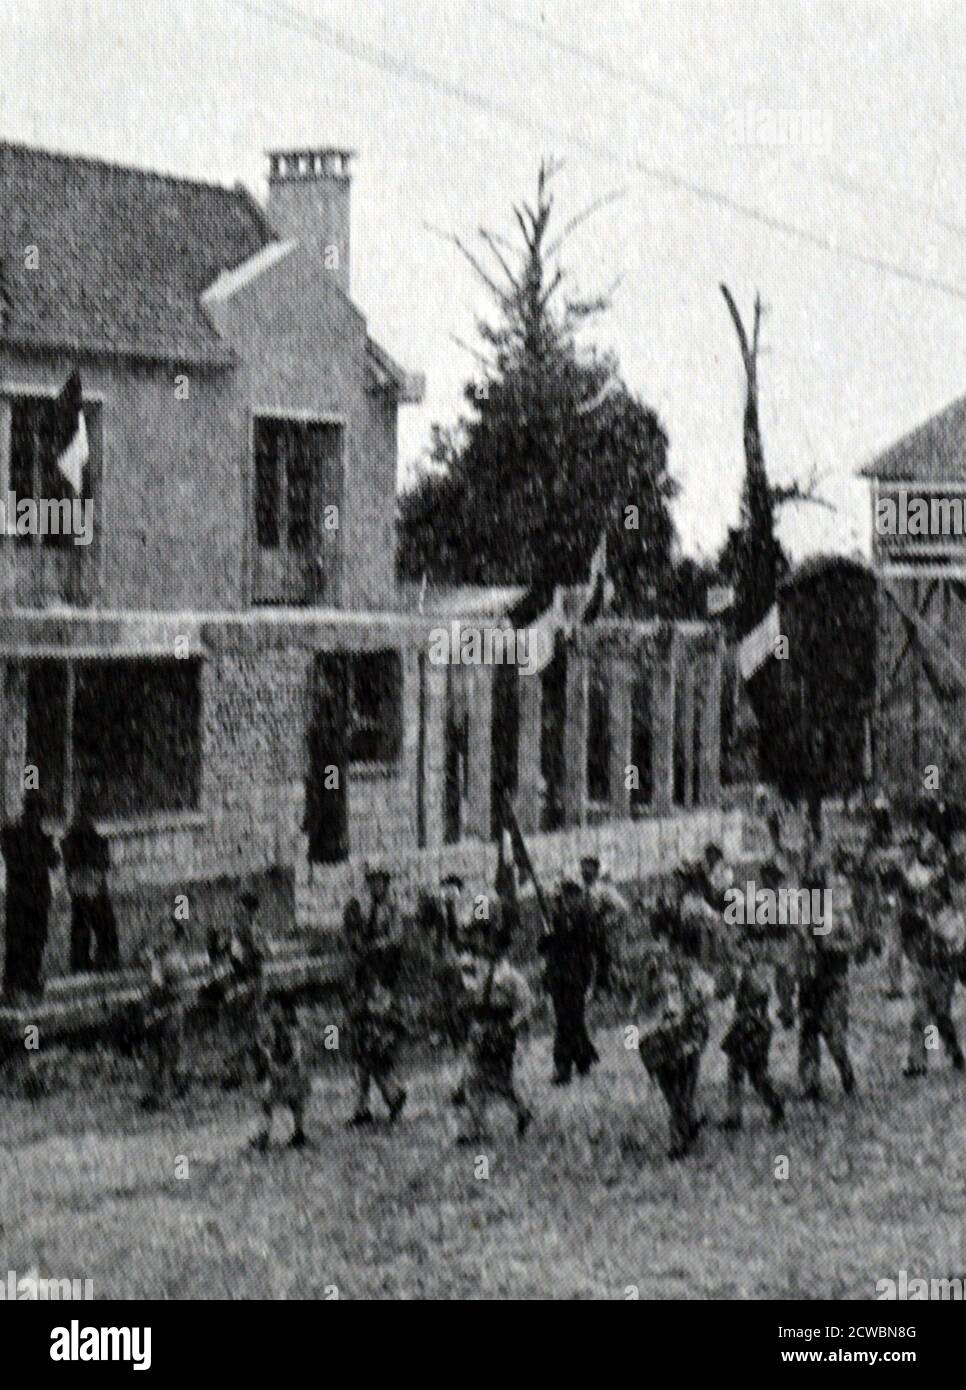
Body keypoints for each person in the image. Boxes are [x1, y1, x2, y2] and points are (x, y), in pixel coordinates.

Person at [637, 907, 714, 1160]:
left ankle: (679, 1138)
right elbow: (646, 1000)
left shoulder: (695, 977)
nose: (673, 956)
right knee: (673, 1089)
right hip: (664, 1035)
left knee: (683, 1087)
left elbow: (700, 1005)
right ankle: (686, 1126)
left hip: (686, 1035)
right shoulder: (660, 971)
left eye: (676, 952)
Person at [718, 862, 786, 1131]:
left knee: (753, 1073)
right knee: (739, 1069)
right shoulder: (753, 953)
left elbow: (757, 987)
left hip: (754, 1020)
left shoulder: (753, 958)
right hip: (751, 1019)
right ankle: (737, 1115)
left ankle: (774, 1106)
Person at [899, 813, 964, 1077]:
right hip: (925, 967)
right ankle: (918, 1063)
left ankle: (953, 1051)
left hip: (943, 970)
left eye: (933, 893)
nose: (929, 896)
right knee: (921, 1016)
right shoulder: (922, 914)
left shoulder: (951, 919)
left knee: (939, 1016)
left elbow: (955, 944)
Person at [457, 921, 534, 1145]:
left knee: (499, 1081)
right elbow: (473, 992)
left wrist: (511, 1027)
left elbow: (526, 1006)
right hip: (481, 1026)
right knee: (473, 1078)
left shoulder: (511, 977)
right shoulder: (480, 970)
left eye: (491, 945)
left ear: (501, 949)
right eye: (485, 944)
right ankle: (474, 1128)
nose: (486, 948)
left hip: (500, 1031)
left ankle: (522, 1110)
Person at [793, 846, 859, 1102]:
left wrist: (831, 946)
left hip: (834, 981)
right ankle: (810, 1084)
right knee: (808, 1032)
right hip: (810, 981)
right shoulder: (800, 916)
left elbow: (853, 944)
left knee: (833, 1035)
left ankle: (847, 1074)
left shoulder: (838, 914)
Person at [344, 863, 407, 1125]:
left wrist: (372, 946)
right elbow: (353, 941)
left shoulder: (392, 909)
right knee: (359, 1040)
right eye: (370, 881)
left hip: (382, 981)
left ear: (386, 882)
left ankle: (391, 1093)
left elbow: (396, 939)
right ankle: (365, 1104)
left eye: (378, 881)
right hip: (364, 979)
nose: (374, 886)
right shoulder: (363, 909)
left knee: (375, 1040)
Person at [539, 875, 610, 1084]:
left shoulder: (586, 917)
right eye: (562, 897)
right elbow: (545, 948)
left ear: (576, 896)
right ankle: (583, 1058)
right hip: (558, 975)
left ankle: (563, 1069)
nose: (563, 900)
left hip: (576, 975)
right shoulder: (556, 917)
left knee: (565, 1021)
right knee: (572, 1020)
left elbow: (600, 947)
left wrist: (601, 979)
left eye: (567, 896)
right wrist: (548, 939)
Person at [1, 789, 59, 1000]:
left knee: (22, 939)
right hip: (32, 897)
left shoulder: (11, 835)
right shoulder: (33, 837)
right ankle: (23, 981)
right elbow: (52, 861)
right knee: (30, 939)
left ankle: (16, 982)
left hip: (21, 898)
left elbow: (53, 861)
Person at [62, 791, 118, 973]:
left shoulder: (71, 839)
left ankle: (80, 960)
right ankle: (104, 958)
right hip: (92, 883)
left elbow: (69, 863)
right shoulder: (93, 840)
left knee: (81, 923)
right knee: (103, 922)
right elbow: (104, 863)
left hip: (80, 884)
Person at [141, 915, 192, 1110]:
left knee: (168, 1053)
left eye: (167, 933)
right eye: (161, 932)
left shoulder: (175, 960)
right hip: (156, 1009)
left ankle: (168, 1093)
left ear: (175, 938)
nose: (162, 936)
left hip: (169, 1010)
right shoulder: (157, 957)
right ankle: (158, 1092)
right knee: (155, 1052)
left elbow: (179, 991)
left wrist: (161, 997)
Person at [220, 888, 269, 1089]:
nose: (237, 912)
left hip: (251, 983)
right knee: (238, 1028)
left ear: (250, 911)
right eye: (236, 908)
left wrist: (245, 952)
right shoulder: (234, 931)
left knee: (248, 1028)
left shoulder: (253, 930)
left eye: (241, 909)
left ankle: (244, 1071)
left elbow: (262, 954)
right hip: (236, 982)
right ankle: (253, 1067)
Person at [250, 998, 311, 1151]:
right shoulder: (269, 1028)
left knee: (294, 1102)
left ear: (283, 1011)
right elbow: (265, 1049)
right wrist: (272, 1065)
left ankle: (298, 1133)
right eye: (271, 1009)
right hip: (278, 1071)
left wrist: (287, 1067)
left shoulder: (291, 1029)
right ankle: (264, 1136)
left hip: (291, 1071)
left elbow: (297, 1051)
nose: (273, 1012)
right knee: (267, 1103)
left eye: (275, 1009)